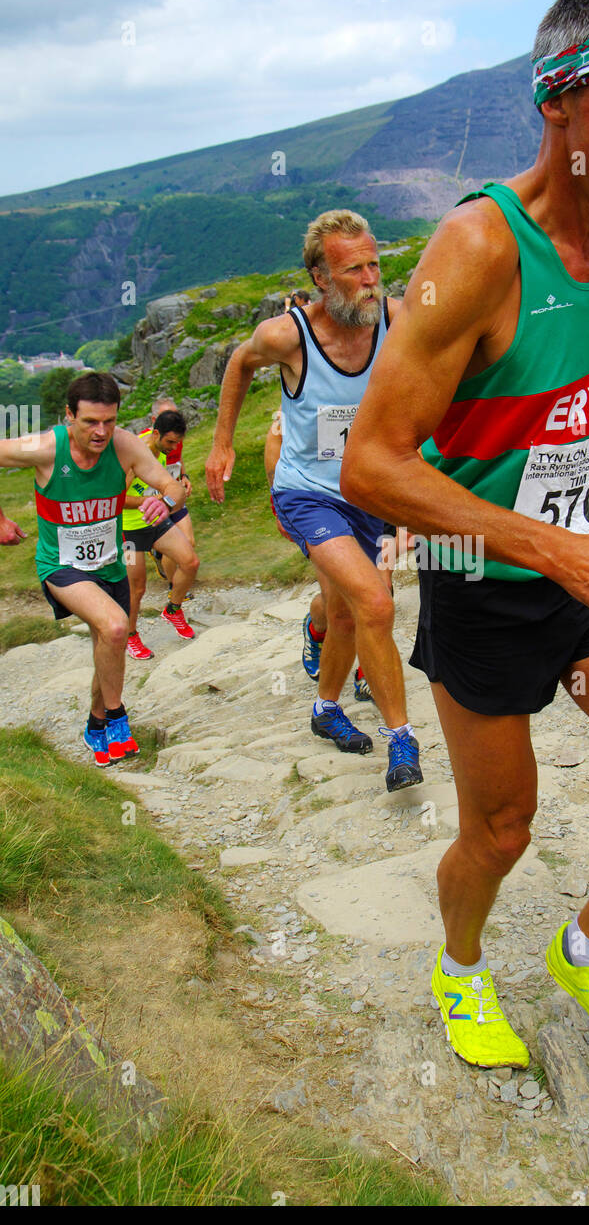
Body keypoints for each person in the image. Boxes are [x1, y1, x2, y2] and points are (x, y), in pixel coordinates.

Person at [342, 0, 589, 1081]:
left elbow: (588, 376)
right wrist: (558, 546)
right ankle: (462, 965)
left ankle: (585, 949)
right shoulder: (476, 250)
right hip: (490, 575)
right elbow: (371, 461)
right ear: (558, 103)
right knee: (501, 830)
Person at [205, 209, 422, 792]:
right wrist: (222, 443)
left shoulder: (393, 319)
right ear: (320, 278)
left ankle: (325, 707)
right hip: (309, 493)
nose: (372, 280)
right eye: (354, 270)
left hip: (372, 490)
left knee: (351, 610)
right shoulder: (288, 335)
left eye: (376, 265)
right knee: (375, 604)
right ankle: (403, 740)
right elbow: (239, 364)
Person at [0, 372, 187, 764]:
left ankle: (96, 721)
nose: (101, 432)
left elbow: (172, 485)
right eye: (90, 422)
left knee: (110, 640)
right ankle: (119, 717)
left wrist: (165, 501)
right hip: (61, 565)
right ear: (69, 415)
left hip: (108, 564)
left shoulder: (126, 447)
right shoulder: (47, 447)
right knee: (117, 625)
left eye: (109, 421)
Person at [262, 414, 371, 698]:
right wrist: (279, 509)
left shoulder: (373, 386)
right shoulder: (293, 408)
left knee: (378, 590)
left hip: (369, 500)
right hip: (320, 508)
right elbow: (274, 456)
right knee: (337, 596)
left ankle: (366, 670)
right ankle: (316, 628)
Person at [124, 409, 200, 658]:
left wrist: (179, 483)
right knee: (136, 589)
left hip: (155, 521)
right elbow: (117, 499)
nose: (174, 447)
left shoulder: (164, 446)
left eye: (178, 443)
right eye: (170, 442)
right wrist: (153, 500)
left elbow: (172, 474)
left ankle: (173, 609)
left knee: (190, 561)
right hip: (127, 529)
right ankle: (130, 636)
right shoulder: (135, 454)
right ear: (155, 433)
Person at [144, 396, 195, 592]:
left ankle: (170, 571)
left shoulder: (175, 437)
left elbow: (178, 460)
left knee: (189, 542)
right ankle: (175, 588)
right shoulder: (143, 446)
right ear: (154, 421)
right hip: (156, 501)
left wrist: (185, 477)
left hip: (175, 498)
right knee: (173, 548)